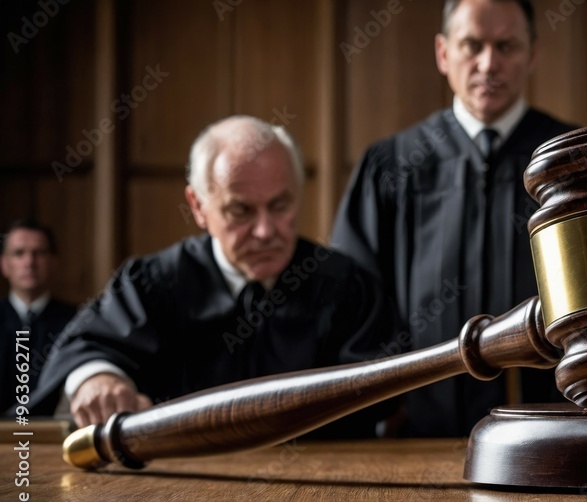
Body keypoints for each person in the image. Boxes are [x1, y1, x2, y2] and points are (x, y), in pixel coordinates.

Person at [32, 115, 395, 437]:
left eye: (280, 205)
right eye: (241, 210)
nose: (266, 231)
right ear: (198, 206)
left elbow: (379, 396)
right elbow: (88, 347)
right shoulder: (155, 283)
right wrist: (97, 378)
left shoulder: (345, 285)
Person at [331, 0, 576, 437]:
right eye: (472, 45)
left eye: (506, 46)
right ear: (443, 53)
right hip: (418, 434)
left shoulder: (573, 159)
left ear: (533, 54)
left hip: (551, 434)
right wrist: (384, 409)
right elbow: (355, 303)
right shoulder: (392, 165)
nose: (489, 63)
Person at [1, 219, 78, 415]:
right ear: (4, 264)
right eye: (19, 253)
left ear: (53, 262)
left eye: (39, 253)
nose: (29, 262)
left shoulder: (77, 322)